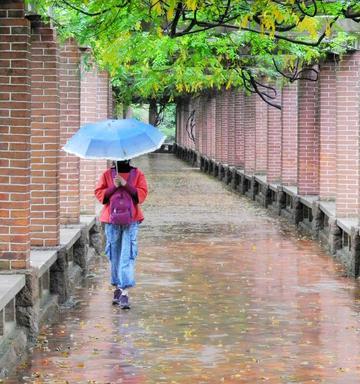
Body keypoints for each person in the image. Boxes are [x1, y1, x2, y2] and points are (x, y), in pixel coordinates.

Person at [94, 159, 148, 309]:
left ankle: (124, 292)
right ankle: (117, 287)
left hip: (131, 220)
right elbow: (101, 197)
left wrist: (126, 184)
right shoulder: (107, 175)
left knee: (127, 254)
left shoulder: (137, 174)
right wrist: (113, 186)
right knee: (114, 255)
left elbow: (141, 196)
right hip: (111, 220)